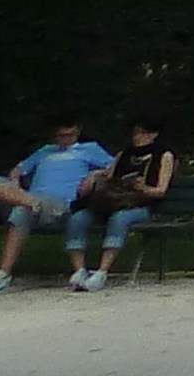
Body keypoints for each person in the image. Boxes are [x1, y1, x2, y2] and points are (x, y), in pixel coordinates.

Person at [0, 119, 114, 293]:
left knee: (20, 212)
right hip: (32, 201)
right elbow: (18, 169)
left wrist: (95, 173)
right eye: (61, 136)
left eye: (70, 135)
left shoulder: (90, 149)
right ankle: (31, 203)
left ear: (78, 132)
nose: (65, 139)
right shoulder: (45, 151)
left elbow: (115, 166)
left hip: (61, 205)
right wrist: (15, 182)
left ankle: (2, 274)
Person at [74, 118, 175, 292]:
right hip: (113, 201)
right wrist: (94, 176)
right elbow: (108, 176)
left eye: (142, 133)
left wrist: (143, 188)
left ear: (154, 134)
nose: (137, 137)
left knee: (120, 219)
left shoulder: (164, 155)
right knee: (78, 219)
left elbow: (161, 190)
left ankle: (102, 271)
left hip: (141, 204)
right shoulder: (124, 154)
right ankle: (79, 270)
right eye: (135, 133)